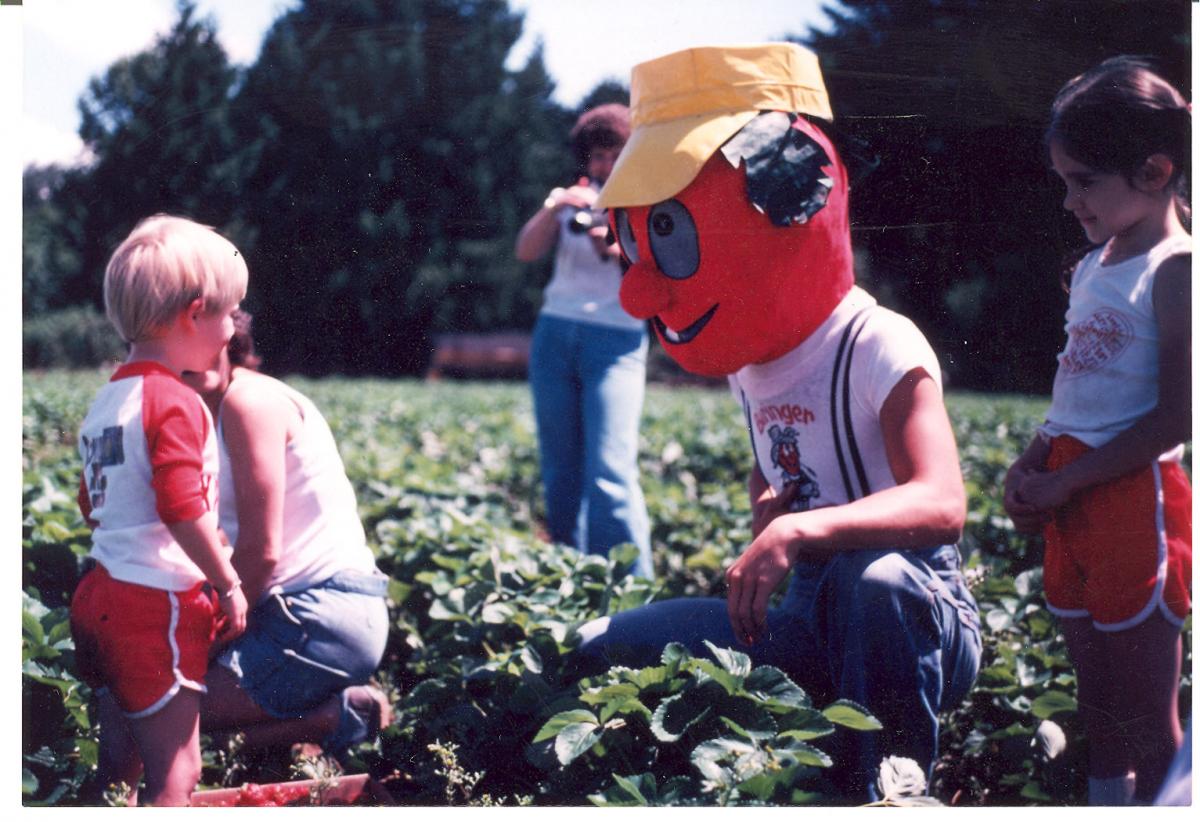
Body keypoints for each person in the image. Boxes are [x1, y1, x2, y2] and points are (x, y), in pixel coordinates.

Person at [571, 43, 981, 801]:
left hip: (916, 618)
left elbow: (942, 505)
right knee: (600, 647)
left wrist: (796, 532)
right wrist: (772, 503)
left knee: (880, 582)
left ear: (793, 190)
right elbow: (777, 459)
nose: (640, 292)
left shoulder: (878, 343)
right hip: (807, 617)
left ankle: (892, 787)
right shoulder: (748, 358)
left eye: (672, 235)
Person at [1004, 56, 1191, 806]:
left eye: (1085, 181)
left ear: (1154, 171)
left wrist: (1068, 478)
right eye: (1064, 181)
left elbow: (1179, 414)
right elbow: (1073, 391)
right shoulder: (1091, 267)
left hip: (1133, 505)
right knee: (1098, 707)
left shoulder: (1176, 269)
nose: (1070, 200)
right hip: (1071, 499)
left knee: (1149, 715)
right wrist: (1032, 465)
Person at [70, 215, 250, 806]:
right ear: (193, 312)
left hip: (101, 592)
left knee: (120, 760)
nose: (233, 329)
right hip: (155, 605)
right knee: (178, 770)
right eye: (229, 314)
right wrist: (226, 581)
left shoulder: (109, 398)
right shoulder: (177, 401)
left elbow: (90, 503)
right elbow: (180, 507)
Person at [180, 312, 393, 762]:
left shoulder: (248, 402)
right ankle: (329, 714)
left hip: (316, 615)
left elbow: (260, 555)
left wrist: (197, 648)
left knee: (154, 717)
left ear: (226, 333)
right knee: (158, 717)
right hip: (296, 612)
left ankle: (332, 718)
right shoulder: (209, 409)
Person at [514, 104, 653, 578]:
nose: (604, 166)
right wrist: (555, 208)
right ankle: (569, 580)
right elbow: (526, 251)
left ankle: (634, 591)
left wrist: (606, 239)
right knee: (560, 469)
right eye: (596, 156)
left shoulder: (649, 202)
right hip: (555, 333)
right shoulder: (574, 198)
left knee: (610, 471)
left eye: (615, 154)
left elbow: (646, 271)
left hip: (616, 342)